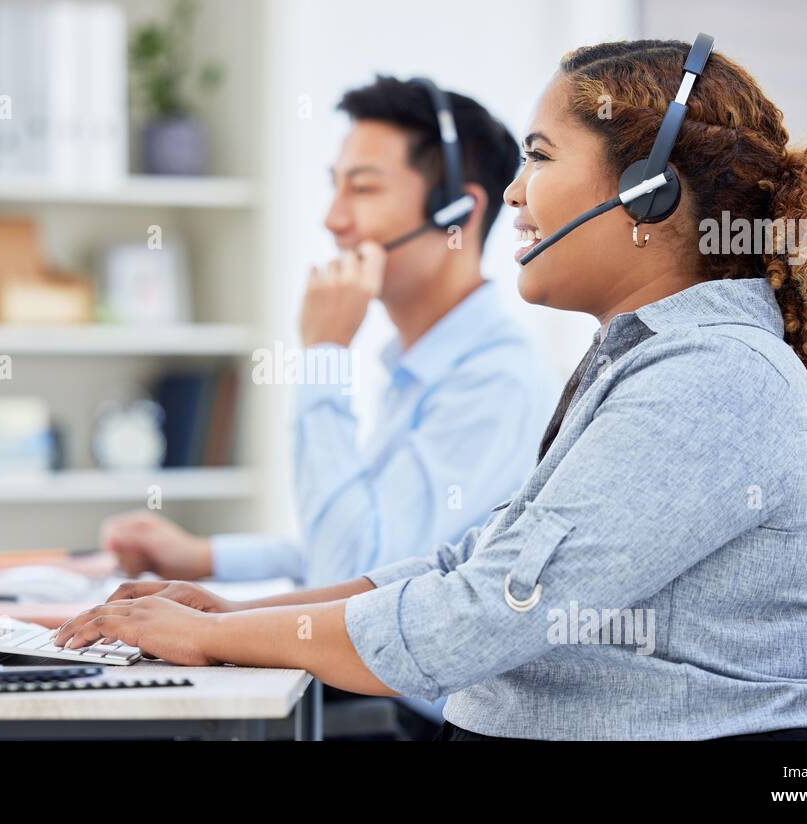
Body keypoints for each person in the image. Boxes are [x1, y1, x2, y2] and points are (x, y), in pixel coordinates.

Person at [55, 39, 807, 740]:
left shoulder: (715, 378)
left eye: (542, 157)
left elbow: (489, 609)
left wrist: (225, 637)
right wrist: (228, 621)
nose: (519, 195)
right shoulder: (649, 360)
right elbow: (473, 562)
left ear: (649, 196)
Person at [99, 76, 557, 589]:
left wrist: (325, 353)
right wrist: (205, 556)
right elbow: (361, 540)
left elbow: (354, 577)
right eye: (334, 185)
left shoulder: (493, 382)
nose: (332, 219)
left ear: (458, 213)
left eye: (361, 188)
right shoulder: (425, 363)